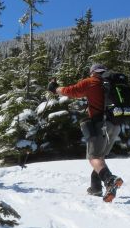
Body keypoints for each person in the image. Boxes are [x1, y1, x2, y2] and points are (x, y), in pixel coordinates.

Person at [48, 63, 124, 201]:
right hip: (116, 124)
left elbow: (70, 91)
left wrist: (54, 88)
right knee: (100, 157)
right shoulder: (113, 83)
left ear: (93, 72)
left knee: (94, 157)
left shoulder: (91, 81)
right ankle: (95, 187)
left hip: (100, 124)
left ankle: (109, 179)